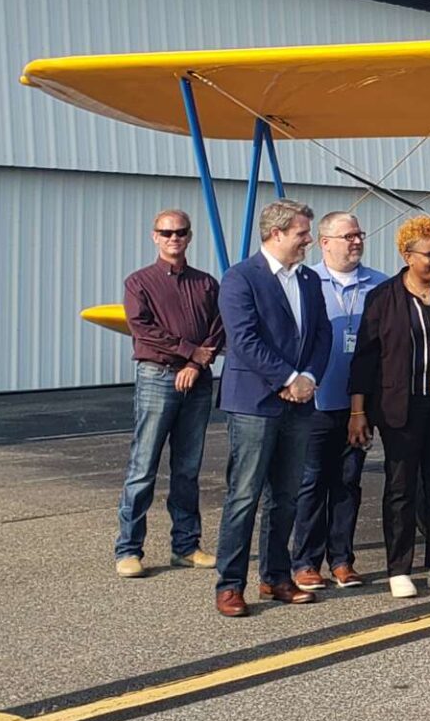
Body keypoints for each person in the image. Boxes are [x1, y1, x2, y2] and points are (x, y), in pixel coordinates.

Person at [214, 199, 332, 618]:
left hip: (300, 401)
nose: (307, 241)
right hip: (254, 403)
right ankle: (230, 584)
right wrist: (287, 379)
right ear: (277, 233)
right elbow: (243, 340)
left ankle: (276, 577)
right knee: (244, 495)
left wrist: (310, 379)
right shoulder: (240, 278)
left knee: (286, 497)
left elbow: (322, 334)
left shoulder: (309, 281)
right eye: (301, 233)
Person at [349, 215, 430, 598]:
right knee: (401, 487)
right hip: (401, 407)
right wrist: (358, 412)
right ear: (408, 255)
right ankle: (399, 568)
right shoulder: (384, 297)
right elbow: (365, 358)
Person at [114, 209, 224, 579]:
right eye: (166, 232)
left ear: (189, 236)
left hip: (197, 380)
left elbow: (218, 327)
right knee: (143, 466)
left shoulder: (207, 283)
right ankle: (129, 549)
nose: (173, 238)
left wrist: (195, 365)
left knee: (188, 468)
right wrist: (187, 352)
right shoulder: (138, 283)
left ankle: (186, 546)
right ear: (154, 236)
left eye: (180, 232)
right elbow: (142, 328)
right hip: (157, 376)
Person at [290, 212, 386, 591]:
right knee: (311, 482)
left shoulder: (379, 285)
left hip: (359, 405)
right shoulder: (305, 282)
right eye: (348, 236)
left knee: (348, 482)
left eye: (359, 234)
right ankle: (305, 562)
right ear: (325, 241)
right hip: (314, 403)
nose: (356, 241)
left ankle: (343, 560)